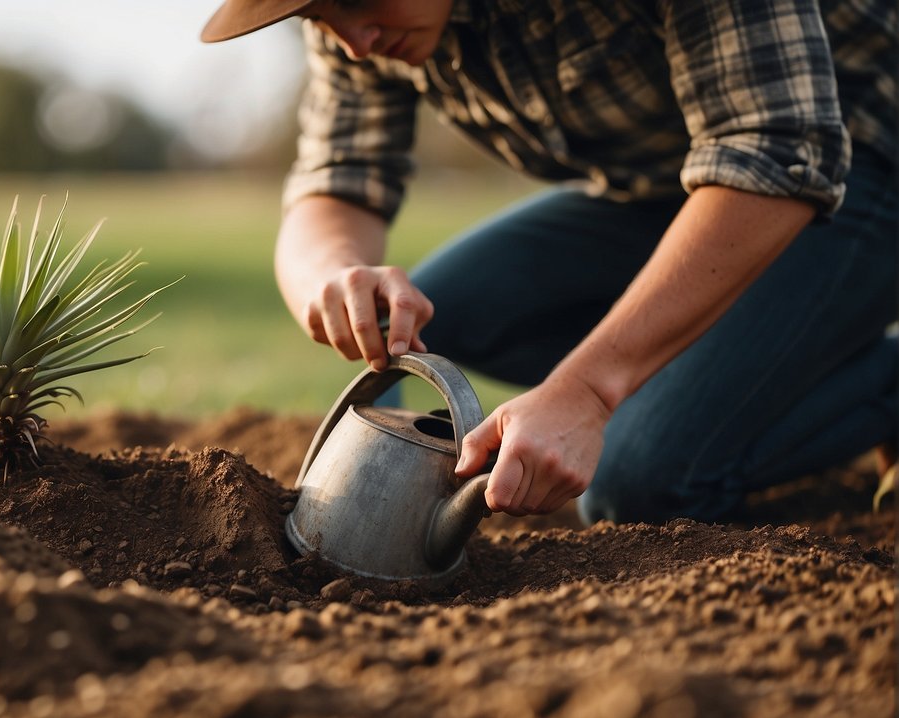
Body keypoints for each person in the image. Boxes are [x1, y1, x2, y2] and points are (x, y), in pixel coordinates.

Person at [200, 0, 897, 523]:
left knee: (638, 483)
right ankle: (775, 358)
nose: (355, 42)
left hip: (860, 160)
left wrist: (587, 392)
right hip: (673, 190)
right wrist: (332, 275)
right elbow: (336, 181)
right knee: (422, 327)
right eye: (321, 16)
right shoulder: (363, 29)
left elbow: (775, 148)